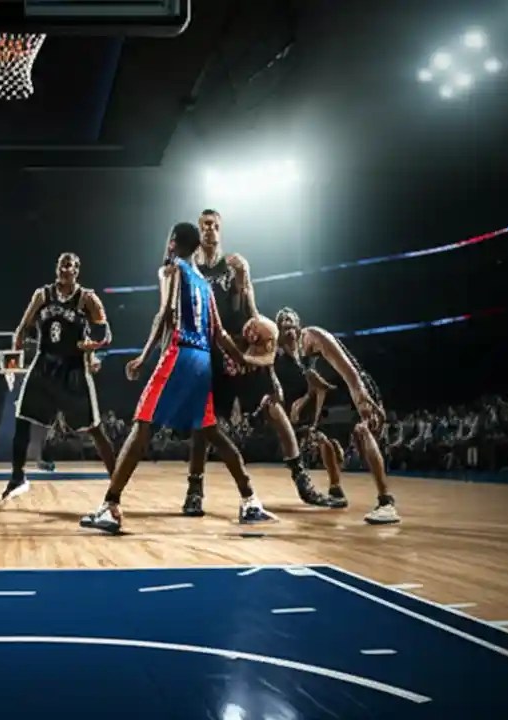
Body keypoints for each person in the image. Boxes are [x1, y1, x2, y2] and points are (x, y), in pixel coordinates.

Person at [81, 223, 275, 534]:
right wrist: (245, 359)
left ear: (172, 243)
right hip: (202, 362)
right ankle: (250, 499)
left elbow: (165, 314)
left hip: (179, 353)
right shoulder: (205, 284)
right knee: (211, 432)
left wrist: (144, 357)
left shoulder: (172, 270)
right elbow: (220, 334)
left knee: (142, 425)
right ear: (197, 247)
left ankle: (110, 506)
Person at [183, 208, 339, 515]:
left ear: (221, 231)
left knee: (273, 408)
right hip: (213, 351)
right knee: (202, 423)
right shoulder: (191, 271)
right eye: (205, 226)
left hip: (245, 348)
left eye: (214, 225)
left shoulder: (236, 265)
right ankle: (194, 490)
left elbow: (252, 312)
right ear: (199, 232)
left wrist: (261, 352)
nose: (210, 230)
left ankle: (302, 480)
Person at [0, 253, 117, 506]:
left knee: (95, 428)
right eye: (61, 264)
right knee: (22, 420)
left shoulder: (87, 298)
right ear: (57, 269)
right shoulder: (42, 295)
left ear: (77, 271)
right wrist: (13, 358)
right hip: (43, 363)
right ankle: (17, 478)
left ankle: (118, 481)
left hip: (73, 369)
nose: (65, 268)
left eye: (70, 265)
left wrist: (93, 350)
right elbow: (23, 328)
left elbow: (106, 333)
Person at [276, 307, 400, 524]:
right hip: (335, 393)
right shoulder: (299, 358)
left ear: (298, 323)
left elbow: (345, 364)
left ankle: (386, 501)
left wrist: (359, 391)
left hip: (354, 383)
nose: (286, 320)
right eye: (281, 319)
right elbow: (319, 389)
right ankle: (336, 492)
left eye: (290, 317)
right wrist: (307, 411)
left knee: (362, 431)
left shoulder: (313, 335)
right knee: (323, 438)